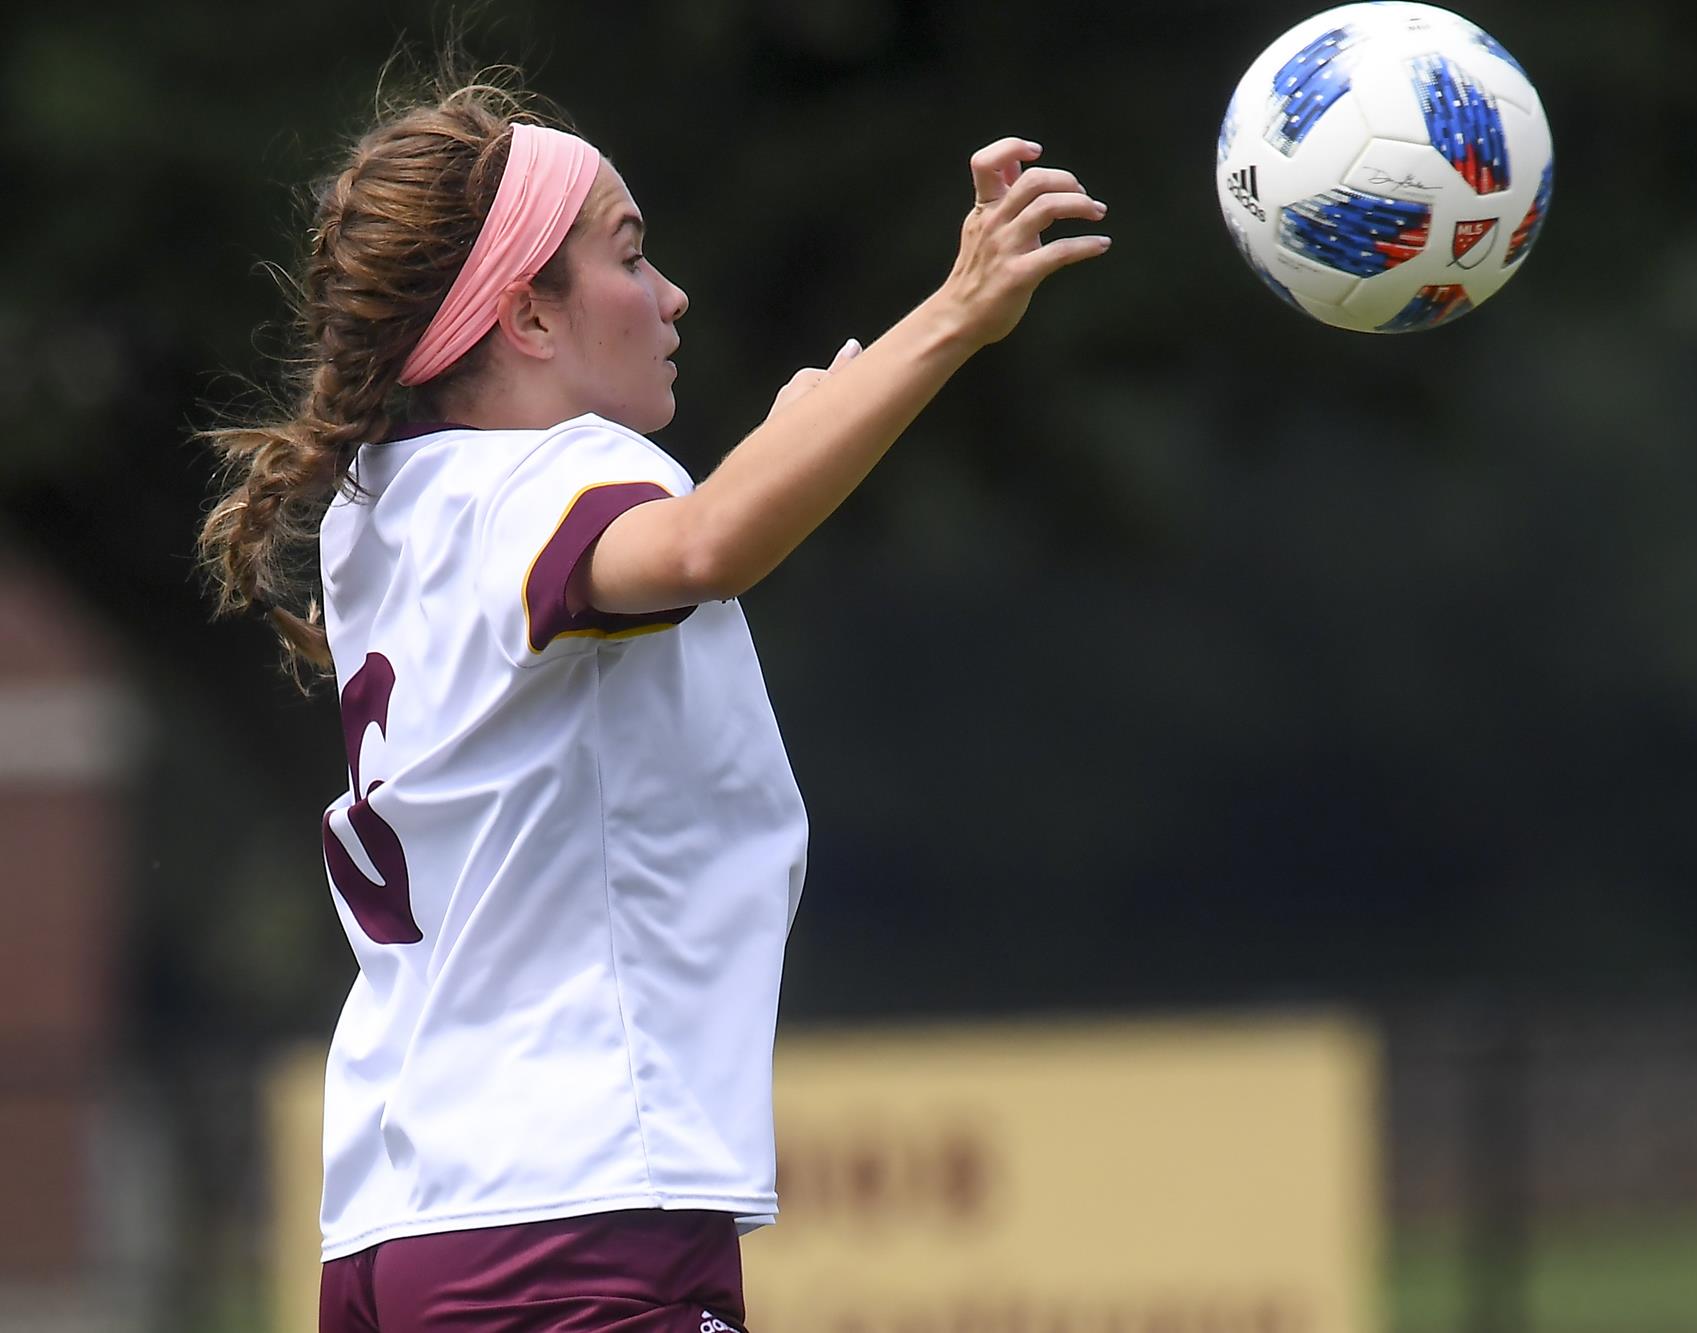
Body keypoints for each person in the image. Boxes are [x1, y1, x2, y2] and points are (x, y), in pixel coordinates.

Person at [195, 69, 1109, 1333]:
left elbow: (684, 538)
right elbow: (699, 549)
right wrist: (952, 314)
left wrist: (800, 439)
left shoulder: (385, 510)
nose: (670, 294)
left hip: (396, 1227)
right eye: (629, 255)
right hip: (565, 1221)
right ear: (524, 312)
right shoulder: (547, 478)